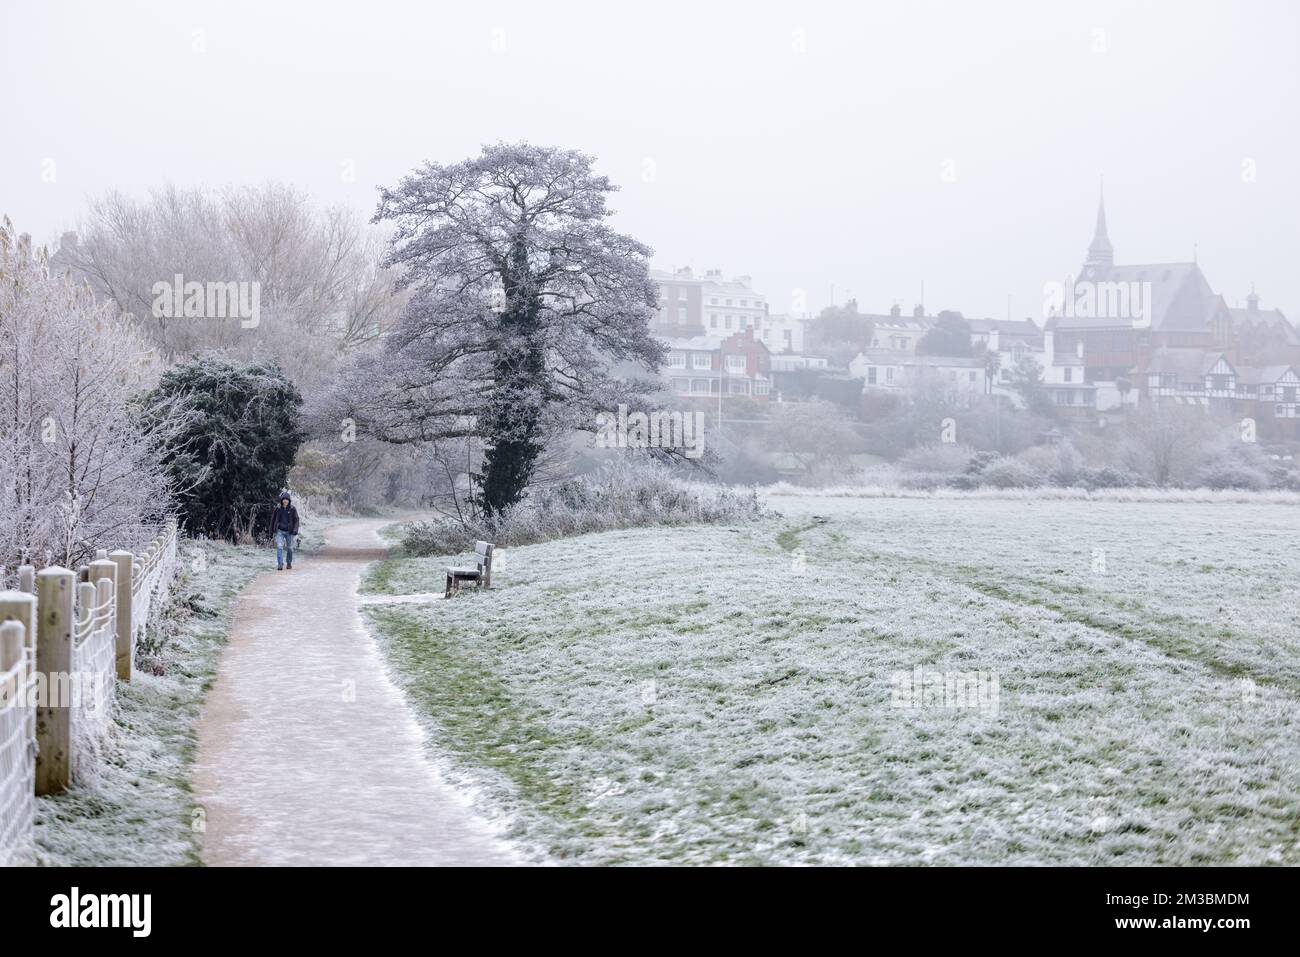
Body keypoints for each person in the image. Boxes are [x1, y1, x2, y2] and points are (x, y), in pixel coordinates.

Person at [271, 490, 300, 570]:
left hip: (289, 532)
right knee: (279, 547)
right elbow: (273, 519)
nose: (285, 501)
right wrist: (272, 531)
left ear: (289, 500)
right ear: (282, 500)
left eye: (287, 499)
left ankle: (289, 562)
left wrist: (295, 530)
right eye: (284, 499)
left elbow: (296, 520)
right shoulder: (278, 508)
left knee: (290, 548)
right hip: (280, 531)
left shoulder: (292, 509)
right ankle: (280, 564)